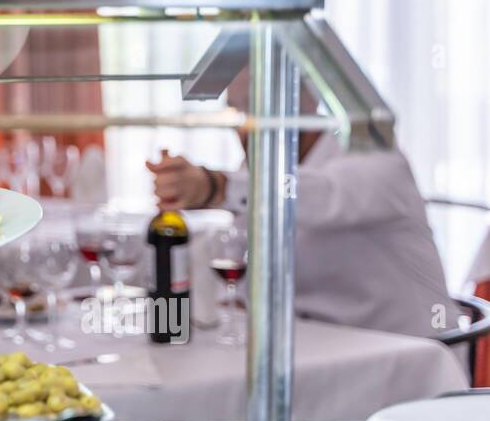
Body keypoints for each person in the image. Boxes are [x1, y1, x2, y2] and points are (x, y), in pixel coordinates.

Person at [145, 72, 458, 339]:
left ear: (306, 102)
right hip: (323, 346)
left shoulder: (374, 156)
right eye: (236, 111)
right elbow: (242, 255)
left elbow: (323, 197)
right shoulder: (260, 164)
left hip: (409, 355)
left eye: (255, 108)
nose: (243, 128)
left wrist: (216, 186)